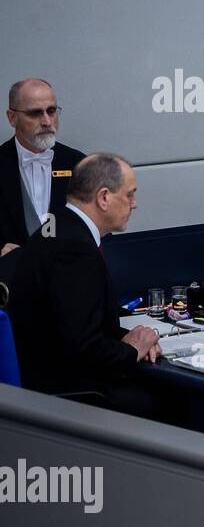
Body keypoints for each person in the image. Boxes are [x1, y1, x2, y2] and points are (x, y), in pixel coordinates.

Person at [6, 153, 160, 415]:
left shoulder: (55, 227)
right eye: (129, 195)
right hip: (66, 397)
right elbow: (83, 349)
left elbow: (70, 323)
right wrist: (131, 349)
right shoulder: (75, 250)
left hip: (38, 383)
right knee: (173, 403)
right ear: (103, 198)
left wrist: (125, 337)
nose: (134, 204)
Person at [0, 79, 86, 281]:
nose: (47, 121)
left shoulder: (79, 164)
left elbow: (101, 231)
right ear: (12, 118)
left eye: (52, 111)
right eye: (35, 113)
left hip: (68, 285)